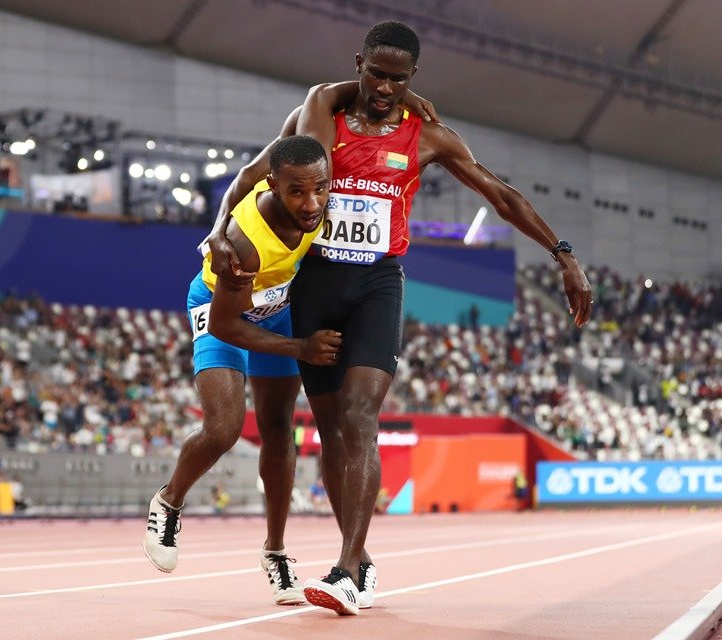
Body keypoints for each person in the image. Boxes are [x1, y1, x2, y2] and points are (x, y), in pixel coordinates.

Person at [207, 21, 593, 616]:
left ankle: (344, 566)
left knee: (361, 416)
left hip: (377, 282)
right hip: (316, 280)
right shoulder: (322, 115)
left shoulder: (429, 137)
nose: (385, 88)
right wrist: (217, 233)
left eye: (399, 79)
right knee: (331, 429)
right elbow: (260, 169)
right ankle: (360, 565)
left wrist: (562, 254)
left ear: (414, 79)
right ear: (359, 64)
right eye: (376, 74)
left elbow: (501, 195)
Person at [142, 135, 341, 607]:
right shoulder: (244, 243)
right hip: (221, 308)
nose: (311, 203)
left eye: (320, 189)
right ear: (274, 186)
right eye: (297, 192)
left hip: (276, 305)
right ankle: (169, 500)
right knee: (225, 427)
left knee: (279, 430)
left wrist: (410, 96)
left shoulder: (305, 183)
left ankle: (275, 551)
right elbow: (230, 325)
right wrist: (300, 348)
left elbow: (315, 103)